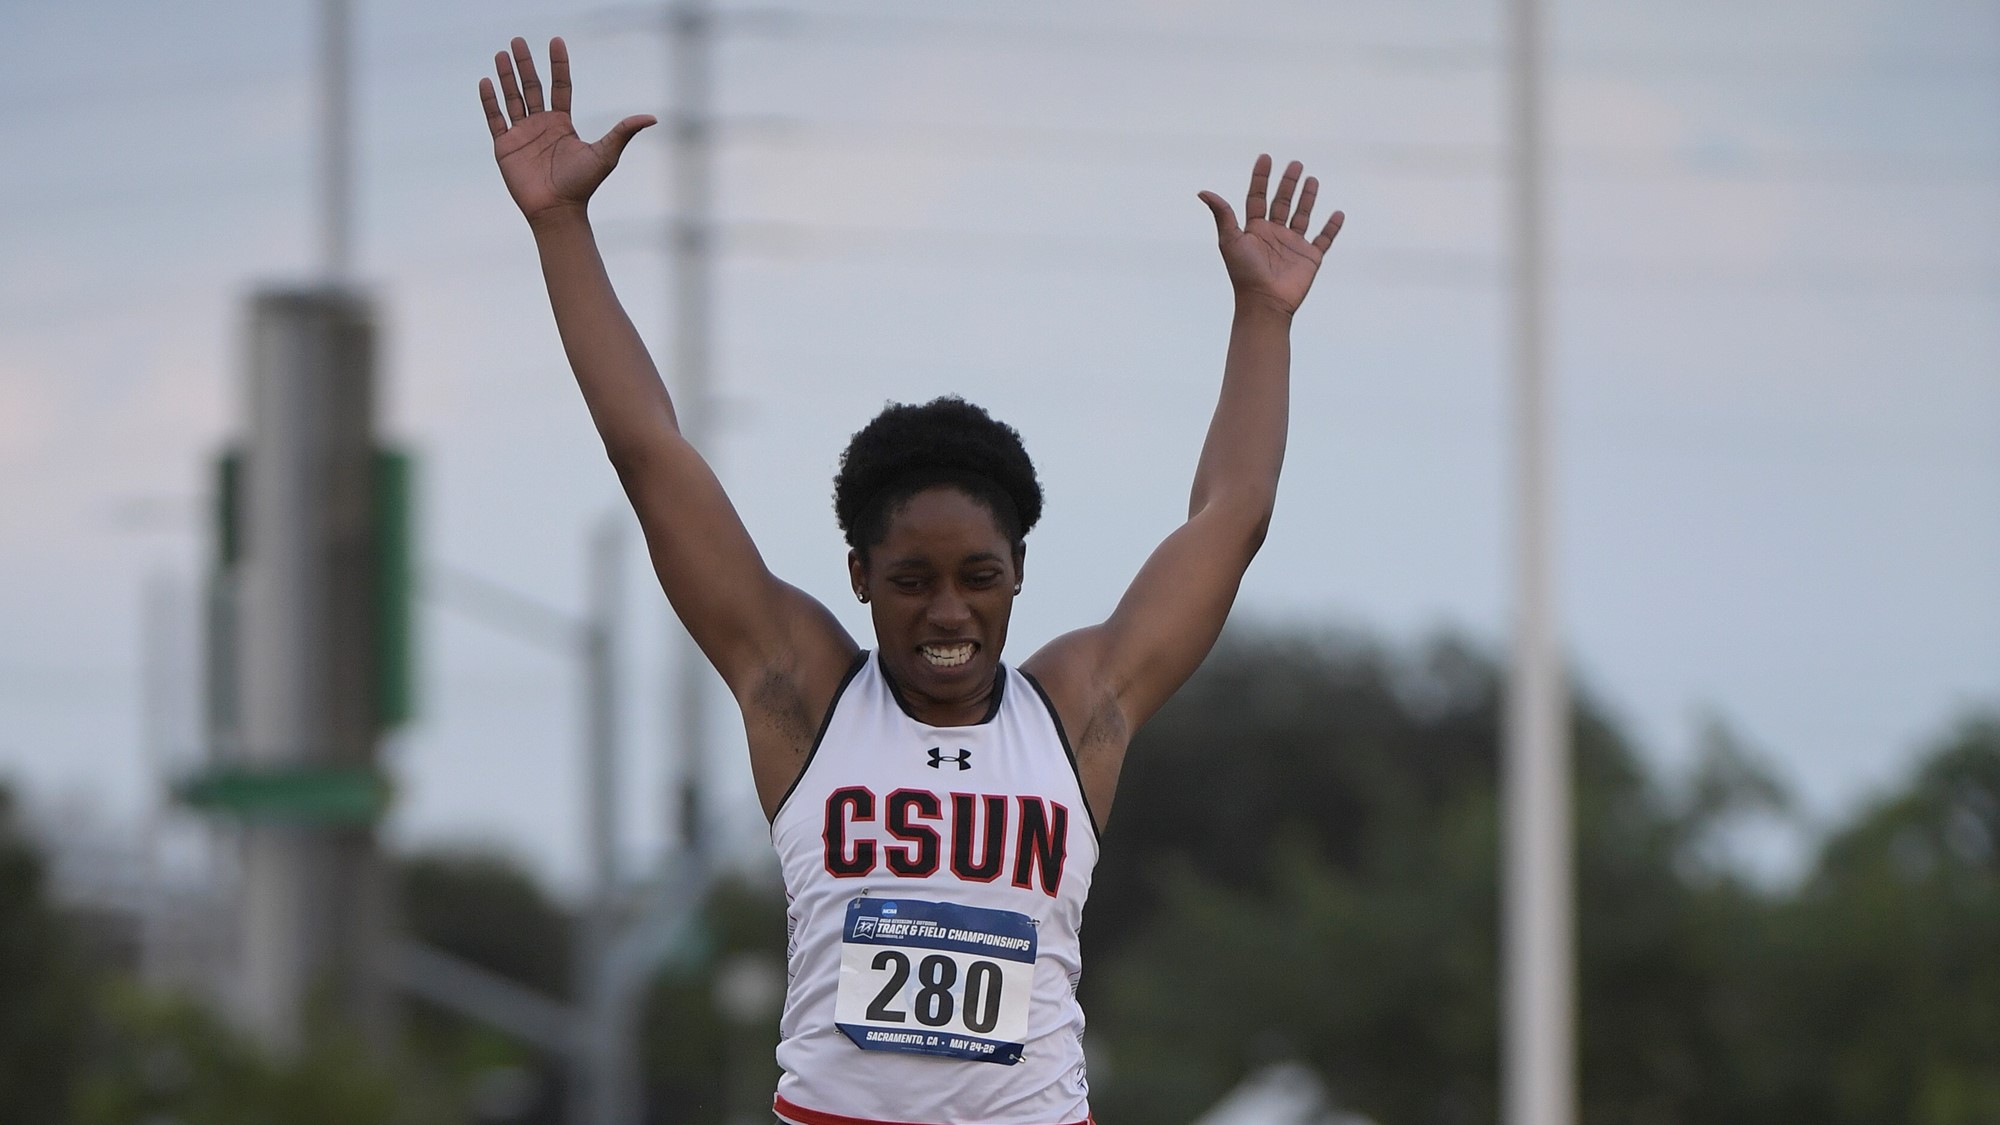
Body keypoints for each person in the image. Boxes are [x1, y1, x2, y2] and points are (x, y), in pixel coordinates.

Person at [480, 35, 1343, 1125]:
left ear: (1018, 573)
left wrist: (1261, 318)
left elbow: (1232, 518)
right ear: (858, 577)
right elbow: (649, 454)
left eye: (978, 577)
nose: (947, 613)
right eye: (910, 581)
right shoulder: (799, 695)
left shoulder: (1078, 711)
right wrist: (560, 226)